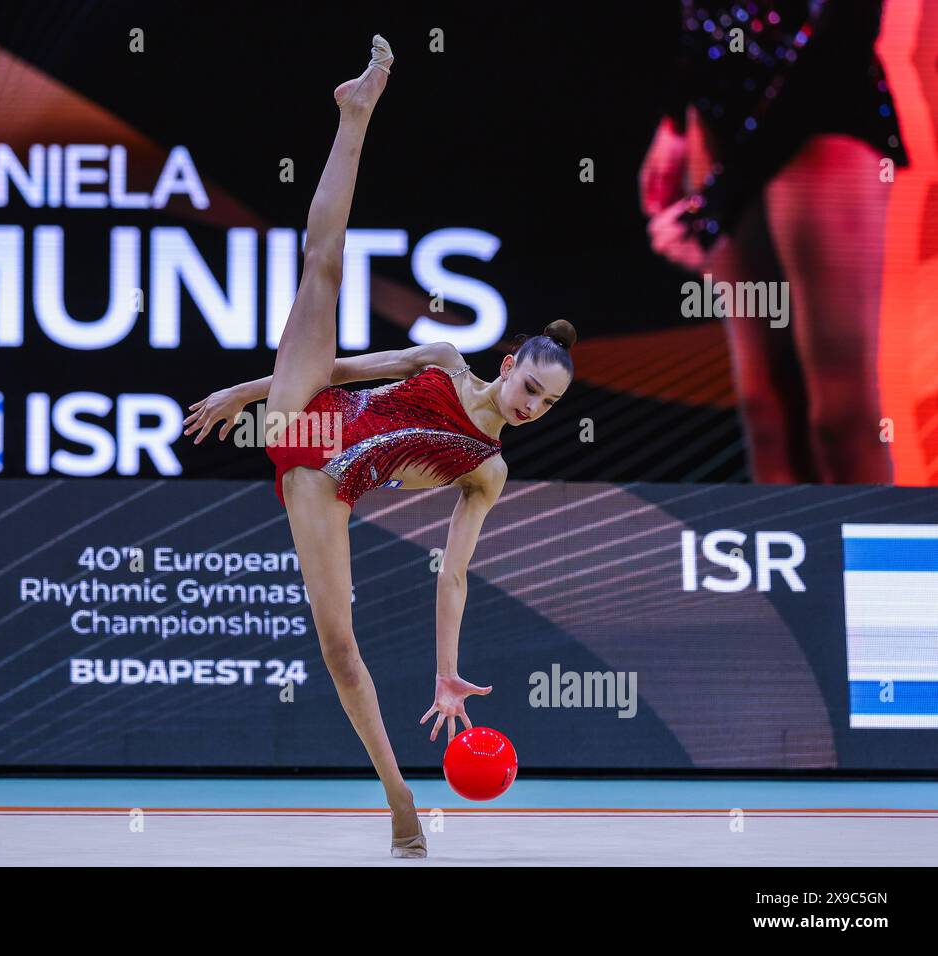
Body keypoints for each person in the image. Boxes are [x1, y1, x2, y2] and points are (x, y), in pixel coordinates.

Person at [185, 35, 576, 858]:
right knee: (320, 264)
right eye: (530, 386)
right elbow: (336, 365)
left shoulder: (488, 470)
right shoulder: (442, 358)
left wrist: (446, 669)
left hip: (327, 488)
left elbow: (456, 572)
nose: (532, 405)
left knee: (339, 648)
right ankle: (356, 109)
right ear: (510, 366)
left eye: (546, 402)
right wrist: (245, 391)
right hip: (309, 412)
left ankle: (401, 803)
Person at [642, 0, 908, 483]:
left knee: (840, 416)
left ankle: (879, 557)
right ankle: (783, 551)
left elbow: (842, 32)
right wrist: (674, 121)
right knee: (764, 407)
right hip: (717, 118)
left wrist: (720, 198)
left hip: (824, 113)